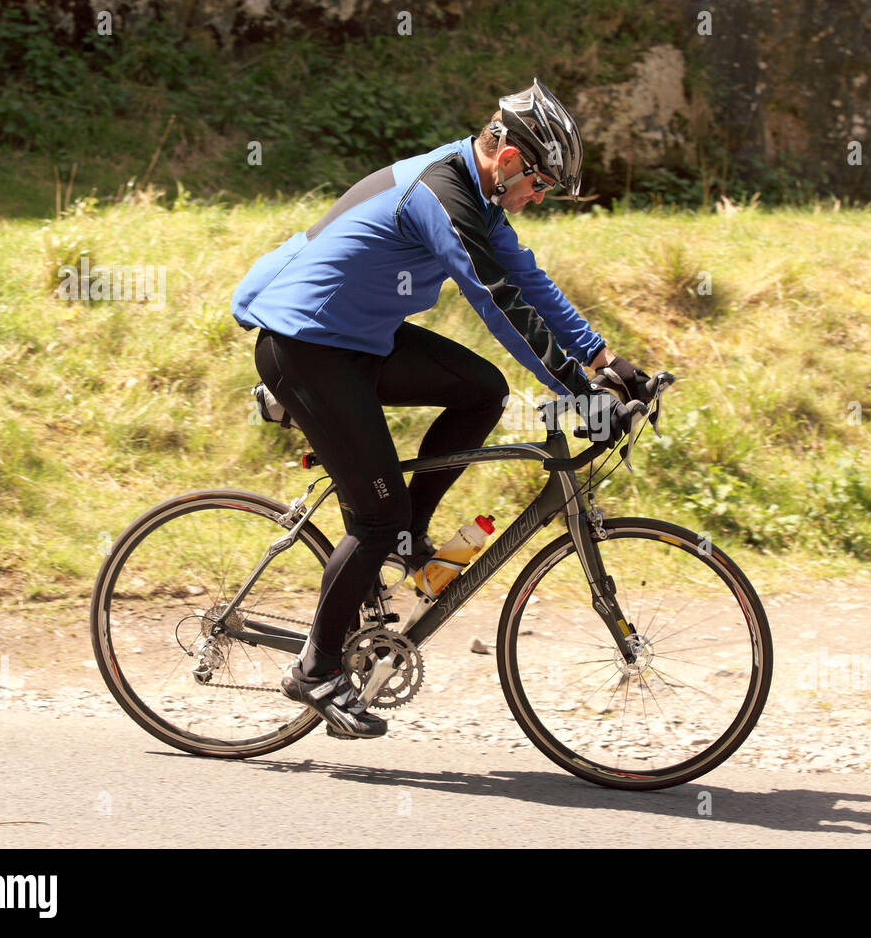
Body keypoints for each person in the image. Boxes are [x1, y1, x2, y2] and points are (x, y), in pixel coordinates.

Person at [231, 78, 651, 738]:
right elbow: (496, 300)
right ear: (509, 158)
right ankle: (315, 669)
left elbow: (530, 282)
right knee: (374, 518)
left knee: (482, 390)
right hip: (307, 346)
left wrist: (607, 364)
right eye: (539, 183)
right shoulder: (442, 193)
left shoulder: (478, 194)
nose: (537, 197)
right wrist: (578, 390)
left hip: (356, 337)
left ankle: (406, 541)